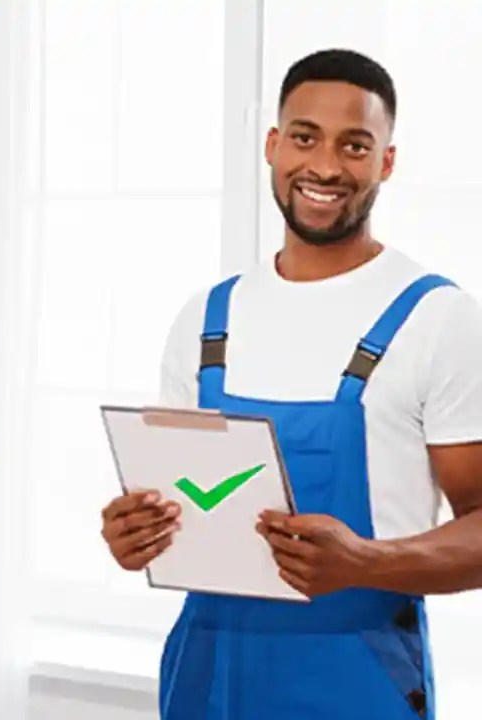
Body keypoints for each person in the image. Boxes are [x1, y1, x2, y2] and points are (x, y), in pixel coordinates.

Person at [99, 47, 482, 719]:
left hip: (357, 684)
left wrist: (366, 561)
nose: (326, 167)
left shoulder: (438, 319)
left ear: (386, 162)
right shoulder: (206, 320)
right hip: (206, 677)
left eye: (355, 145)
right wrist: (137, 536)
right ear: (273, 146)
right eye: (305, 138)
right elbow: (183, 506)